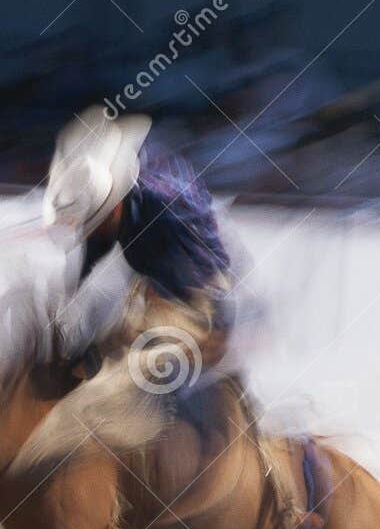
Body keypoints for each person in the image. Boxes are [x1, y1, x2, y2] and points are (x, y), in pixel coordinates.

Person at [14, 105, 252, 473]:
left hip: (196, 301)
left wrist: (130, 330)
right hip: (158, 289)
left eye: (95, 220)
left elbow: (196, 279)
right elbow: (94, 252)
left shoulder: (166, 208)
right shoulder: (114, 198)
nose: (90, 231)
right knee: (87, 345)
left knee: (121, 380)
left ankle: (105, 462)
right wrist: (69, 302)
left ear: (115, 204)